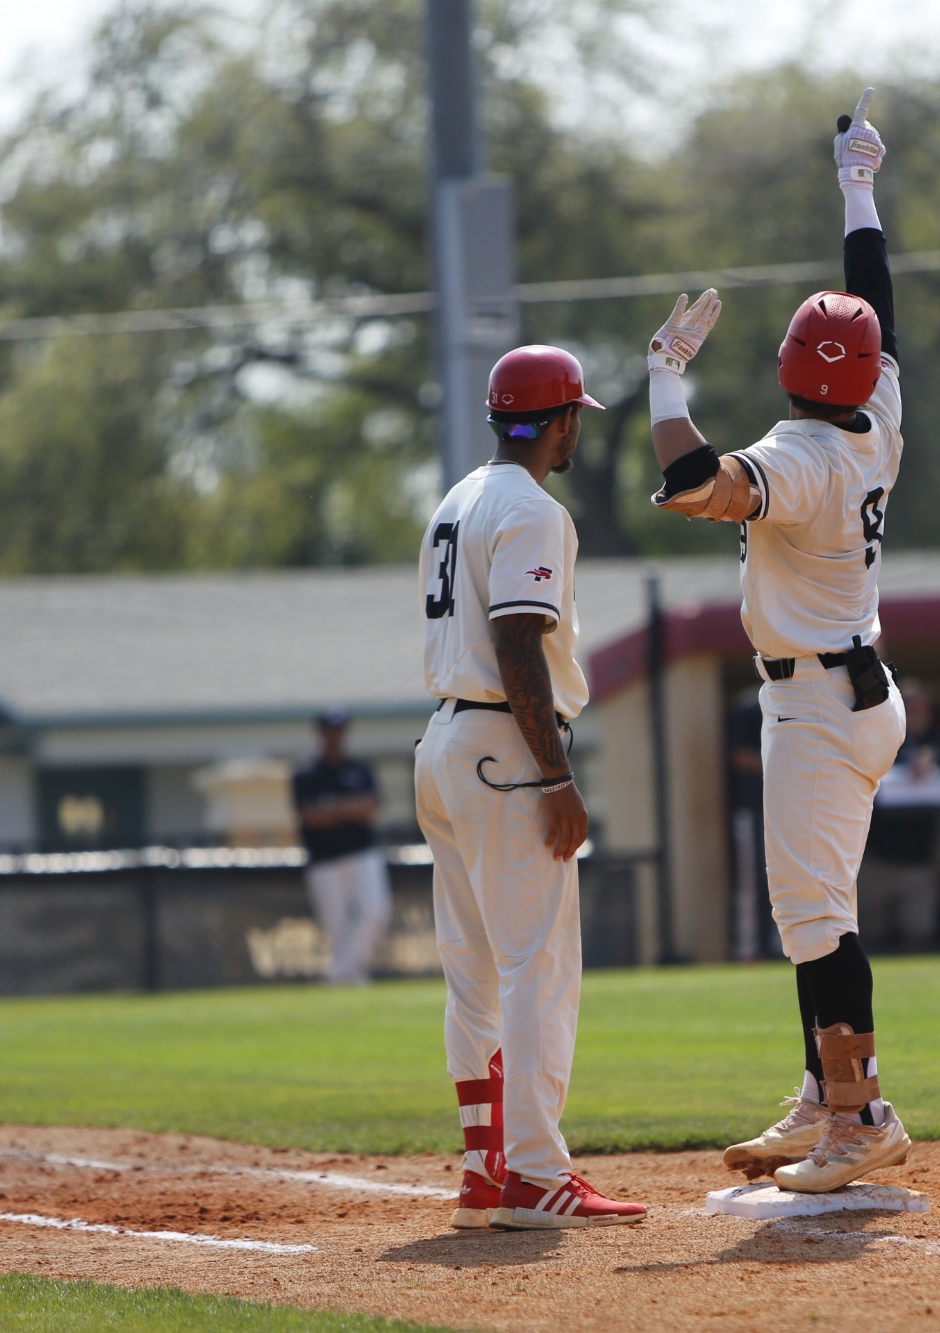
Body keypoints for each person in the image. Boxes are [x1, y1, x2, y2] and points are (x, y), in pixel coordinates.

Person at [643, 89, 910, 1193]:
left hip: (814, 704)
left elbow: (692, 485)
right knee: (817, 912)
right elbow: (874, 310)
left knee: (811, 918)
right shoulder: (878, 409)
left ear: (790, 368)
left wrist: (663, 374)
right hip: (853, 693)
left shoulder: (798, 461)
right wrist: (858, 185)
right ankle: (821, 1094)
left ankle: (861, 1116)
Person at [412, 344, 646, 1231]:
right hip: (504, 750)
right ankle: (538, 1173)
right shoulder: (531, 508)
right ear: (563, 420)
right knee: (537, 966)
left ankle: (488, 1166)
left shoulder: (457, 498)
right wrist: (556, 774)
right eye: (574, 413)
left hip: (442, 743)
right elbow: (518, 642)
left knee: (473, 972)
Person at [859, 680, 940, 950]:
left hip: (917, 862)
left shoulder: (939, 742)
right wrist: (906, 761)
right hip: (875, 860)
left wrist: (933, 757)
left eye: (920, 709)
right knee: (868, 936)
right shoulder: (879, 735)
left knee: (919, 933)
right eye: (909, 707)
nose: (915, 714)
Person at [292, 707, 390, 986]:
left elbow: (370, 808)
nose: (334, 735)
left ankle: (339, 974)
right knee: (336, 926)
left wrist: (331, 807)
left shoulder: (358, 768)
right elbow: (311, 817)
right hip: (325, 860)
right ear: (320, 733)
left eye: (339, 729)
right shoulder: (307, 772)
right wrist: (348, 807)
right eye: (329, 729)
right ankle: (353, 978)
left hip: (362, 854)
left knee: (375, 912)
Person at [726, 690, 780, 961]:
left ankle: (782, 945)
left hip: (787, 810)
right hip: (751, 809)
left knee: (785, 877)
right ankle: (747, 948)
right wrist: (781, 764)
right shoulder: (749, 706)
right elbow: (739, 756)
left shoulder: (795, 699)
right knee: (750, 879)